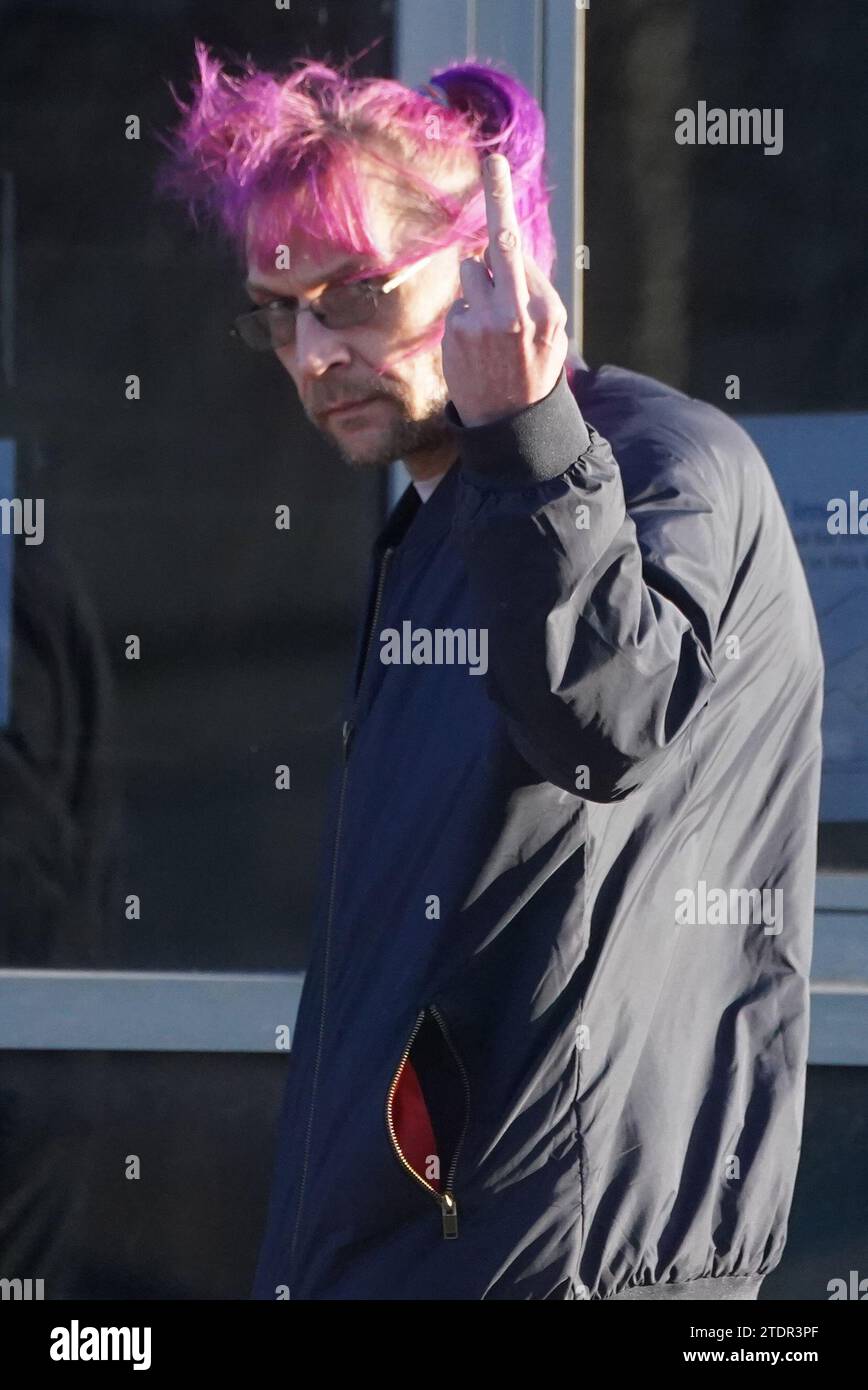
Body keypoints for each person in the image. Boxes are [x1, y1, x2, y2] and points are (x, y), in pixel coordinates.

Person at [160, 46, 824, 1300]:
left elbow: (610, 727)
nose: (309, 353)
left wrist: (524, 443)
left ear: (483, 260)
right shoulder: (438, 511)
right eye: (277, 312)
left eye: (351, 295)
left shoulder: (661, 463)